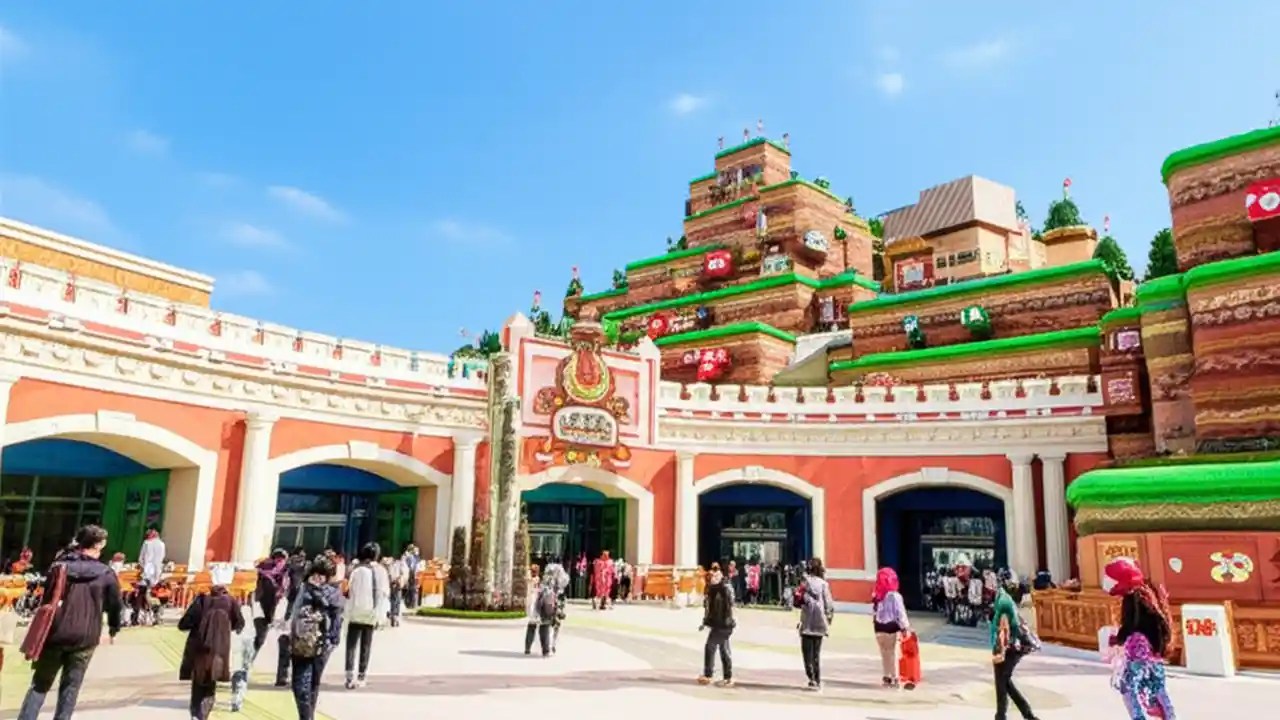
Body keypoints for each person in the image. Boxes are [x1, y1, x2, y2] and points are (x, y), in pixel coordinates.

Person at [18, 525, 124, 720]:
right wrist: (113, 628)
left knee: (40, 684)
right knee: (71, 687)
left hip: (55, 631)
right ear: (99, 544)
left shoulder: (59, 567)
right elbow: (116, 605)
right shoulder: (106, 573)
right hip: (86, 635)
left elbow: (47, 597)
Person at [1105, 557, 1177, 719]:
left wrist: (1118, 639)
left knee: (1129, 688)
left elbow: (1131, 624)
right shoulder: (1147, 592)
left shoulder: (1133, 597)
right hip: (1154, 652)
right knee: (1158, 689)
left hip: (1138, 651)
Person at [178, 574, 244, 719]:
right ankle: (203, 714)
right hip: (220, 651)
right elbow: (239, 623)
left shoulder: (201, 600)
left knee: (198, 686)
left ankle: (196, 714)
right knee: (210, 686)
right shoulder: (231, 602)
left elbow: (183, 624)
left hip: (199, 650)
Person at [289, 554, 344, 720]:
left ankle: (306, 717)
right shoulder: (330, 592)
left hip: (309, 644)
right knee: (310, 685)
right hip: (314, 644)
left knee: (302, 684)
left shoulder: (309, 590)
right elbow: (337, 619)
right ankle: (308, 716)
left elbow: (295, 613)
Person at [343, 542, 389, 690]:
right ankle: (362, 676)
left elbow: (350, 593)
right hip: (371, 613)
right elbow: (384, 594)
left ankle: (349, 676)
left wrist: (347, 612)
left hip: (356, 612)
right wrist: (381, 615)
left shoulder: (357, 571)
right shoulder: (381, 571)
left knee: (351, 645)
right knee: (366, 645)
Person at [991, 587, 1040, 720]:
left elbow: (1004, 630)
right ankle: (1023, 714)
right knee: (1004, 682)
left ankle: (1004, 715)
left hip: (1009, 649)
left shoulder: (1003, 603)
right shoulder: (1004, 600)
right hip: (1010, 647)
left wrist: (1001, 652)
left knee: (1002, 682)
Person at [796, 557, 835, 692]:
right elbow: (829, 604)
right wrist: (828, 618)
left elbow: (798, 600)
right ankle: (817, 679)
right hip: (819, 622)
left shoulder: (804, 583)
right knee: (816, 653)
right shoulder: (824, 584)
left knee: (807, 653)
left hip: (807, 622)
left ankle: (811, 677)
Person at [872, 567, 911, 688]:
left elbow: (874, 611)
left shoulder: (876, 595)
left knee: (884, 653)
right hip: (891, 626)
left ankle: (886, 676)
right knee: (892, 652)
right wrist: (906, 628)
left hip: (878, 627)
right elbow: (900, 613)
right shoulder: (895, 596)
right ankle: (894, 677)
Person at [697, 562, 735, 687]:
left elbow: (728, 604)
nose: (713, 574)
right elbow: (710, 609)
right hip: (720, 624)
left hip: (724, 625)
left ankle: (709, 675)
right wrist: (705, 622)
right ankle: (727, 677)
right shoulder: (713, 590)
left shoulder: (724, 588)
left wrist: (721, 584)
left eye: (716, 571)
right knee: (724, 650)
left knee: (710, 646)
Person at [254, 548, 291, 651]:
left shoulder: (285, 572)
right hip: (262, 601)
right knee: (261, 627)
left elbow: (285, 585)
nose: (280, 563)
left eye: (282, 560)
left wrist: (281, 591)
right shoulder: (264, 570)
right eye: (278, 560)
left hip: (276, 601)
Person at [229, 605, 255, 713]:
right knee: (242, 672)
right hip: (245, 639)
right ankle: (238, 698)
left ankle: (236, 697)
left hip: (237, 650)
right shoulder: (249, 628)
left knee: (237, 673)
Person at [524, 567, 554, 656]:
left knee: (532, 626)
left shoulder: (532, 582)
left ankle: (528, 648)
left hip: (534, 606)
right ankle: (545, 650)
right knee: (543, 627)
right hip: (540, 607)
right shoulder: (537, 582)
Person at [542, 558, 569, 653]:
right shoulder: (560, 569)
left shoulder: (547, 569)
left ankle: (548, 644)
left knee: (547, 623)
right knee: (557, 624)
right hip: (557, 599)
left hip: (547, 599)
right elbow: (564, 582)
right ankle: (553, 643)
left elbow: (543, 584)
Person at [383, 555, 408, 627]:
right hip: (393, 584)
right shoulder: (390, 565)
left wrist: (397, 581)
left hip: (397, 584)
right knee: (394, 600)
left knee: (396, 601)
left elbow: (403, 574)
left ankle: (394, 616)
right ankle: (393, 615)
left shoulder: (399, 564)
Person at [284, 546, 308, 621]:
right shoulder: (295, 559)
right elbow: (293, 567)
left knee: (293, 600)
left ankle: (289, 615)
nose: (304, 553)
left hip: (297, 582)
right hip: (295, 582)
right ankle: (289, 615)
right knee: (293, 600)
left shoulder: (302, 561)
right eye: (303, 552)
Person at [401, 544, 421, 609]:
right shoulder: (407, 556)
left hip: (413, 573)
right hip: (410, 573)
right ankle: (410, 603)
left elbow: (415, 565)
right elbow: (409, 565)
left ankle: (412, 603)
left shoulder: (414, 557)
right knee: (410, 589)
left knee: (413, 589)